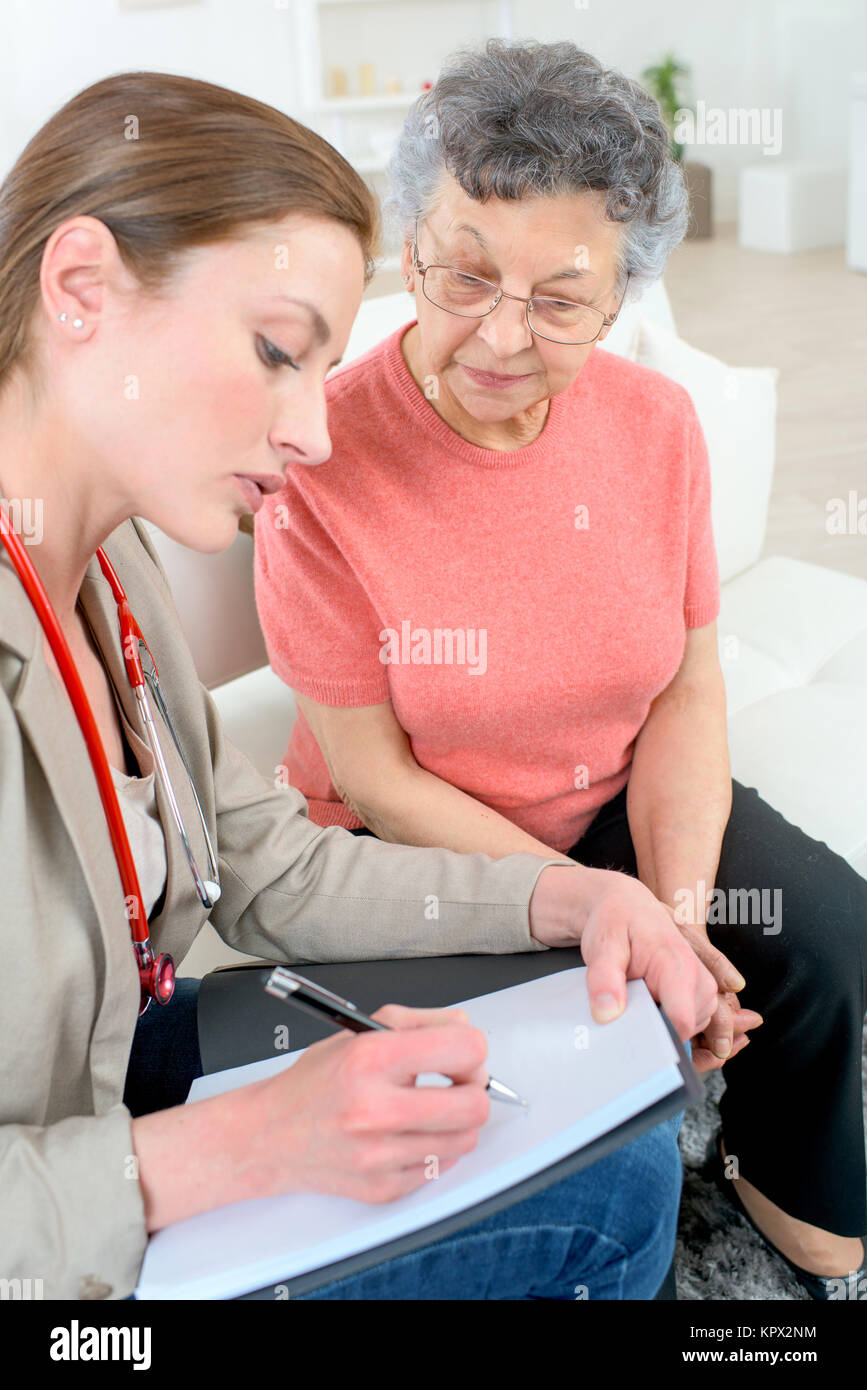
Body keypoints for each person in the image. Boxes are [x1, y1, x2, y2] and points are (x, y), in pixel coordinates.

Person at [0, 70, 723, 1302]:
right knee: (610, 1203)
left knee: (612, 1140)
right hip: (58, 1201)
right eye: (278, 351)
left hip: (108, 1064)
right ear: (81, 288)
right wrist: (240, 1143)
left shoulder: (109, 560)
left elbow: (275, 866)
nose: (318, 432)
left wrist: (574, 898)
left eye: (322, 364)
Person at [252, 39, 867, 1299]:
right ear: (410, 245)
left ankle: (777, 1180)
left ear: (626, 289)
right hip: (425, 851)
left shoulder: (656, 427)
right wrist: (615, 927)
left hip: (613, 803)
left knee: (829, 935)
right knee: (575, 1112)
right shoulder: (319, 462)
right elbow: (372, 776)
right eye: (463, 275)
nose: (499, 336)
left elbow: (689, 687)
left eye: (561, 298)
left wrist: (678, 914)